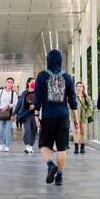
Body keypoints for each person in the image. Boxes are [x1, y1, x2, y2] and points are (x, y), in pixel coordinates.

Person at [34, 49, 78, 186]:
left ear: (48, 60)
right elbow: (73, 100)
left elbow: (37, 99)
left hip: (48, 116)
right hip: (63, 116)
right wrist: (76, 119)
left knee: (43, 144)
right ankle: (59, 176)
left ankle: (50, 164)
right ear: (60, 61)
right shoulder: (67, 77)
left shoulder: (42, 76)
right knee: (61, 148)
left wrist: (36, 116)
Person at [0, 77, 18, 153]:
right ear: (6, 83)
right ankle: (2, 144)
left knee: (7, 131)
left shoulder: (13, 93)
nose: (9, 83)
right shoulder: (1, 91)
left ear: (12, 84)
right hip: (0, 113)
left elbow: (16, 103)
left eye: (11, 82)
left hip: (9, 114)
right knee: (0, 130)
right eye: (8, 82)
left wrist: (8, 106)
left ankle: (7, 146)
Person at [16, 77, 38, 155]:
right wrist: (14, 113)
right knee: (27, 130)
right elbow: (19, 104)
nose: (33, 83)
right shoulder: (24, 93)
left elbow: (40, 103)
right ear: (28, 83)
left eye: (34, 82)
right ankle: (27, 146)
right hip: (25, 114)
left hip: (34, 114)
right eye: (32, 82)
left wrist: (35, 106)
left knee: (34, 130)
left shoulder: (37, 93)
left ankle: (30, 145)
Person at [72, 80, 93, 154]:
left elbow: (90, 107)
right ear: (75, 88)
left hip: (84, 117)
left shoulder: (87, 97)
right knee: (76, 131)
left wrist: (86, 115)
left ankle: (82, 147)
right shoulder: (73, 97)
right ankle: (76, 148)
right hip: (75, 118)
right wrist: (73, 115)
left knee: (83, 132)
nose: (78, 88)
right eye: (77, 86)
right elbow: (69, 107)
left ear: (83, 88)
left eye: (80, 86)